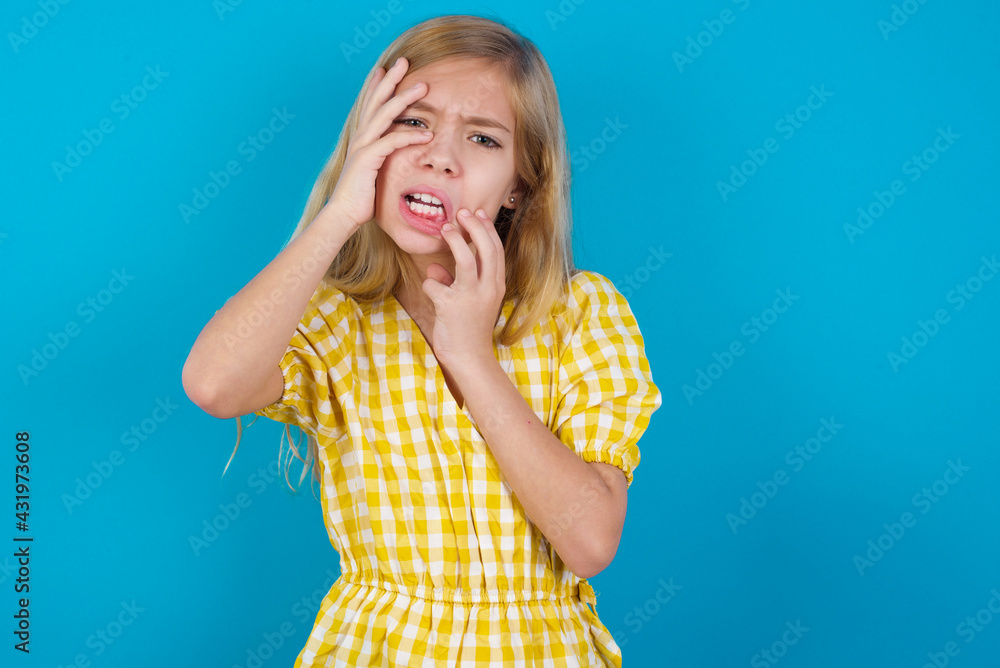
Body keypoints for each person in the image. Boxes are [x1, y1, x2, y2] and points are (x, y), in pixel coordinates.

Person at [182, 13, 662, 667]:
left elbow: (590, 542)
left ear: (519, 186)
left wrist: (471, 357)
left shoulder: (580, 313)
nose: (440, 155)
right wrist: (341, 210)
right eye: (413, 122)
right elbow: (213, 384)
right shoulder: (335, 320)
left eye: (483, 138)